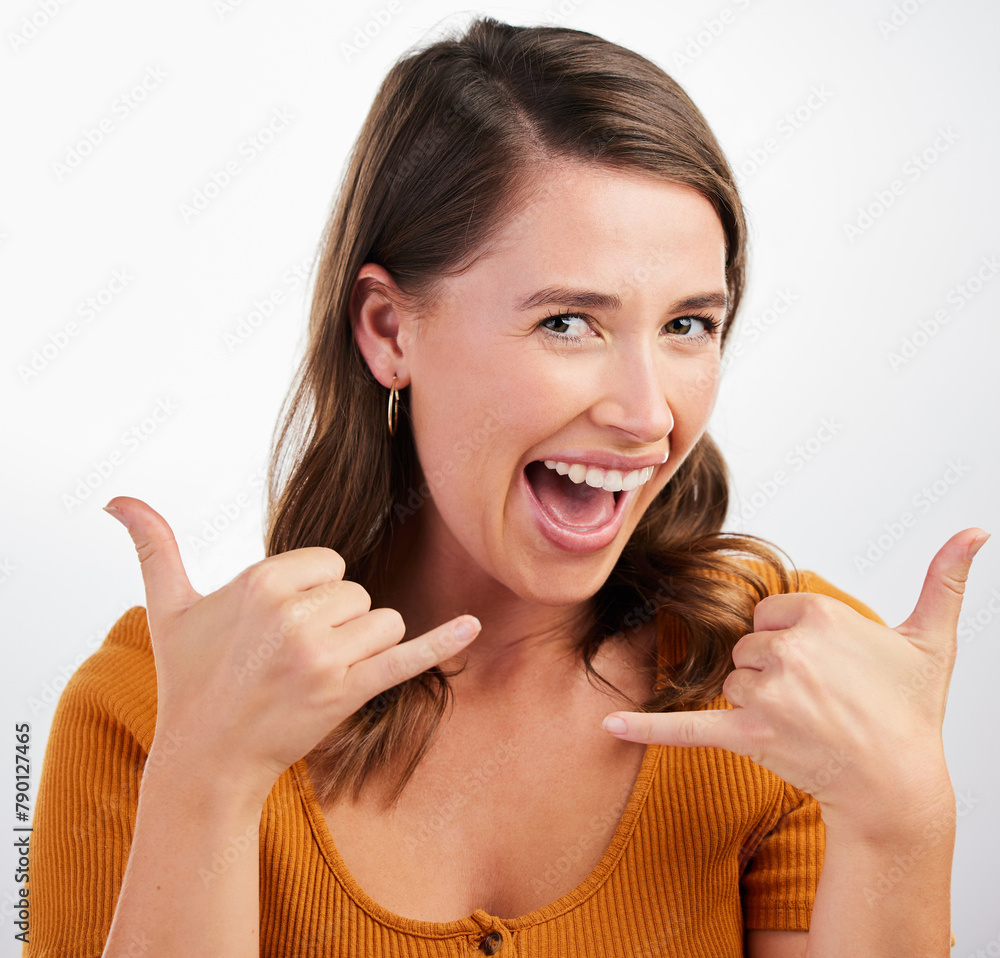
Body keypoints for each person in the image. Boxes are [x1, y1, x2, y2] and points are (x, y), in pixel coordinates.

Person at [27, 15, 986, 958]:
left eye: (689, 325)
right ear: (389, 330)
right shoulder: (160, 707)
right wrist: (205, 778)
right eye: (568, 323)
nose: (648, 414)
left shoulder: (786, 686)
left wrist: (903, 815)